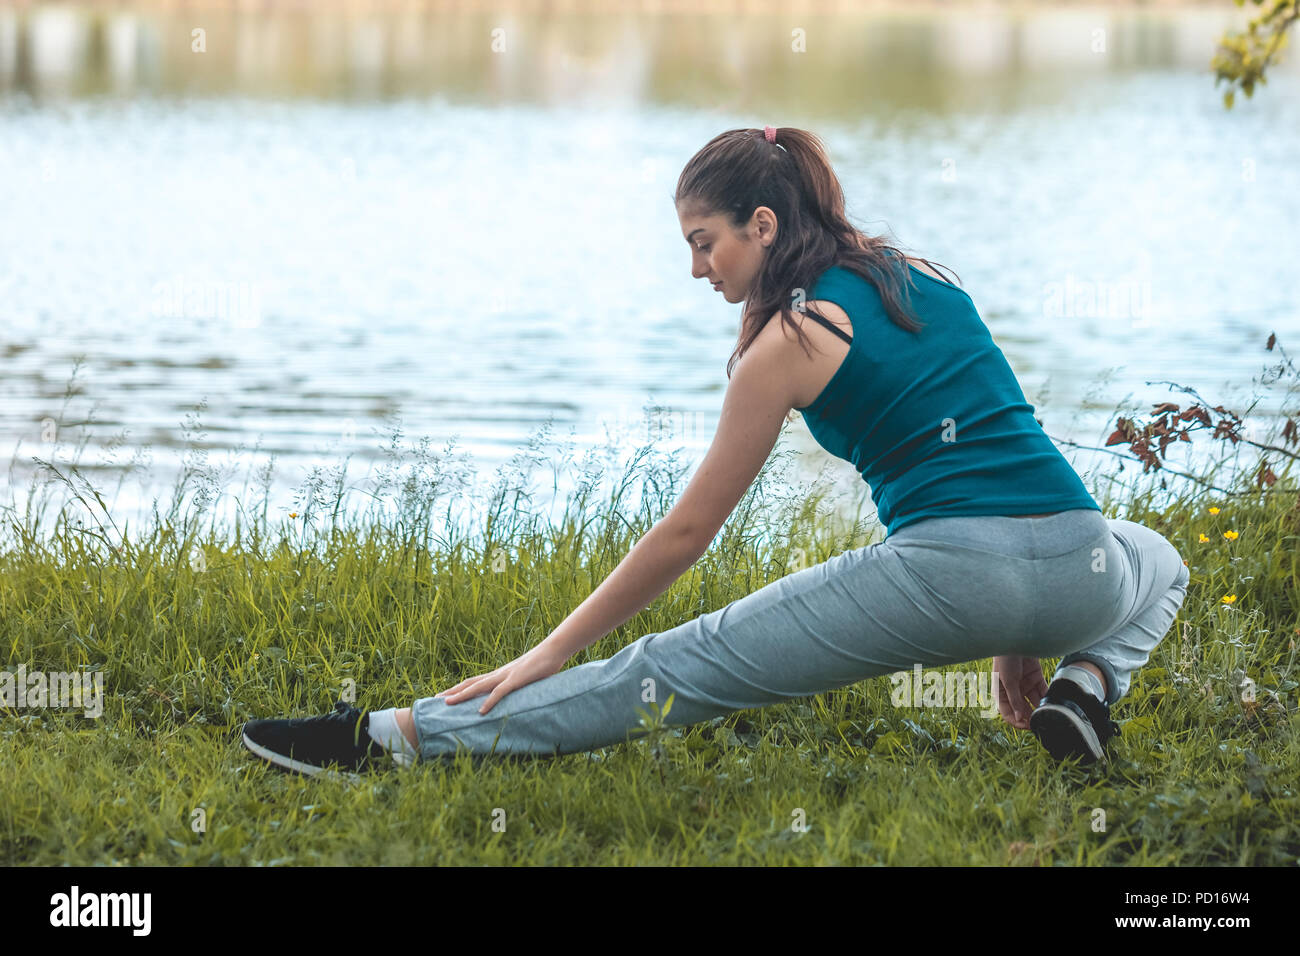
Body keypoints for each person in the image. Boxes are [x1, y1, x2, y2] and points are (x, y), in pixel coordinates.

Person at [242, 126, 1190, 776]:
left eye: (705, 243)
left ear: (762, 225)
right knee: (1164, 560)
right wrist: (1028, 637)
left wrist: (547, 651)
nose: (698, 268)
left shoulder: (790, 340)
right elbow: (1004, 454)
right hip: (1087, 566)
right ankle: (1090, 683)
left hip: (950, 577)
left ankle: (393, 738)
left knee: (684, 664)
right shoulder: (925, 279)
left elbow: (687, 532)